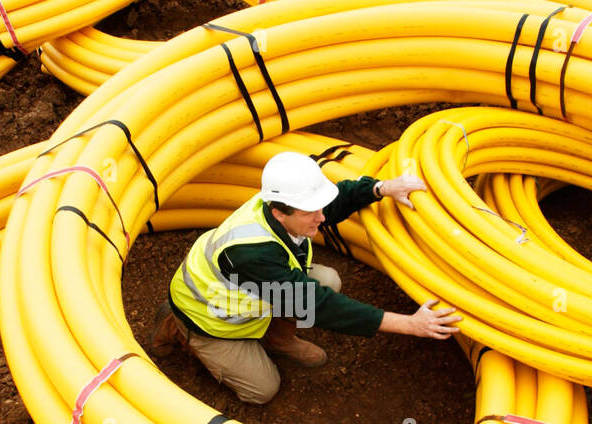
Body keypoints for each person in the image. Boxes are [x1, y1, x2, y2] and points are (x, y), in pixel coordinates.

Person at [150, 151, 462, 404]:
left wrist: (382, 188)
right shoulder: (250, 253)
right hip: (211, 317)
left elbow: (333, 203)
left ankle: (276, 339)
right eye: (311, 212)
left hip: (257, 295)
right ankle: (178, 329)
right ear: (279, 213)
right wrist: (409, 323)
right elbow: (317, 304)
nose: (322, 218)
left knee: (328, 280)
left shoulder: (285, 205)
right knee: (263, 390)